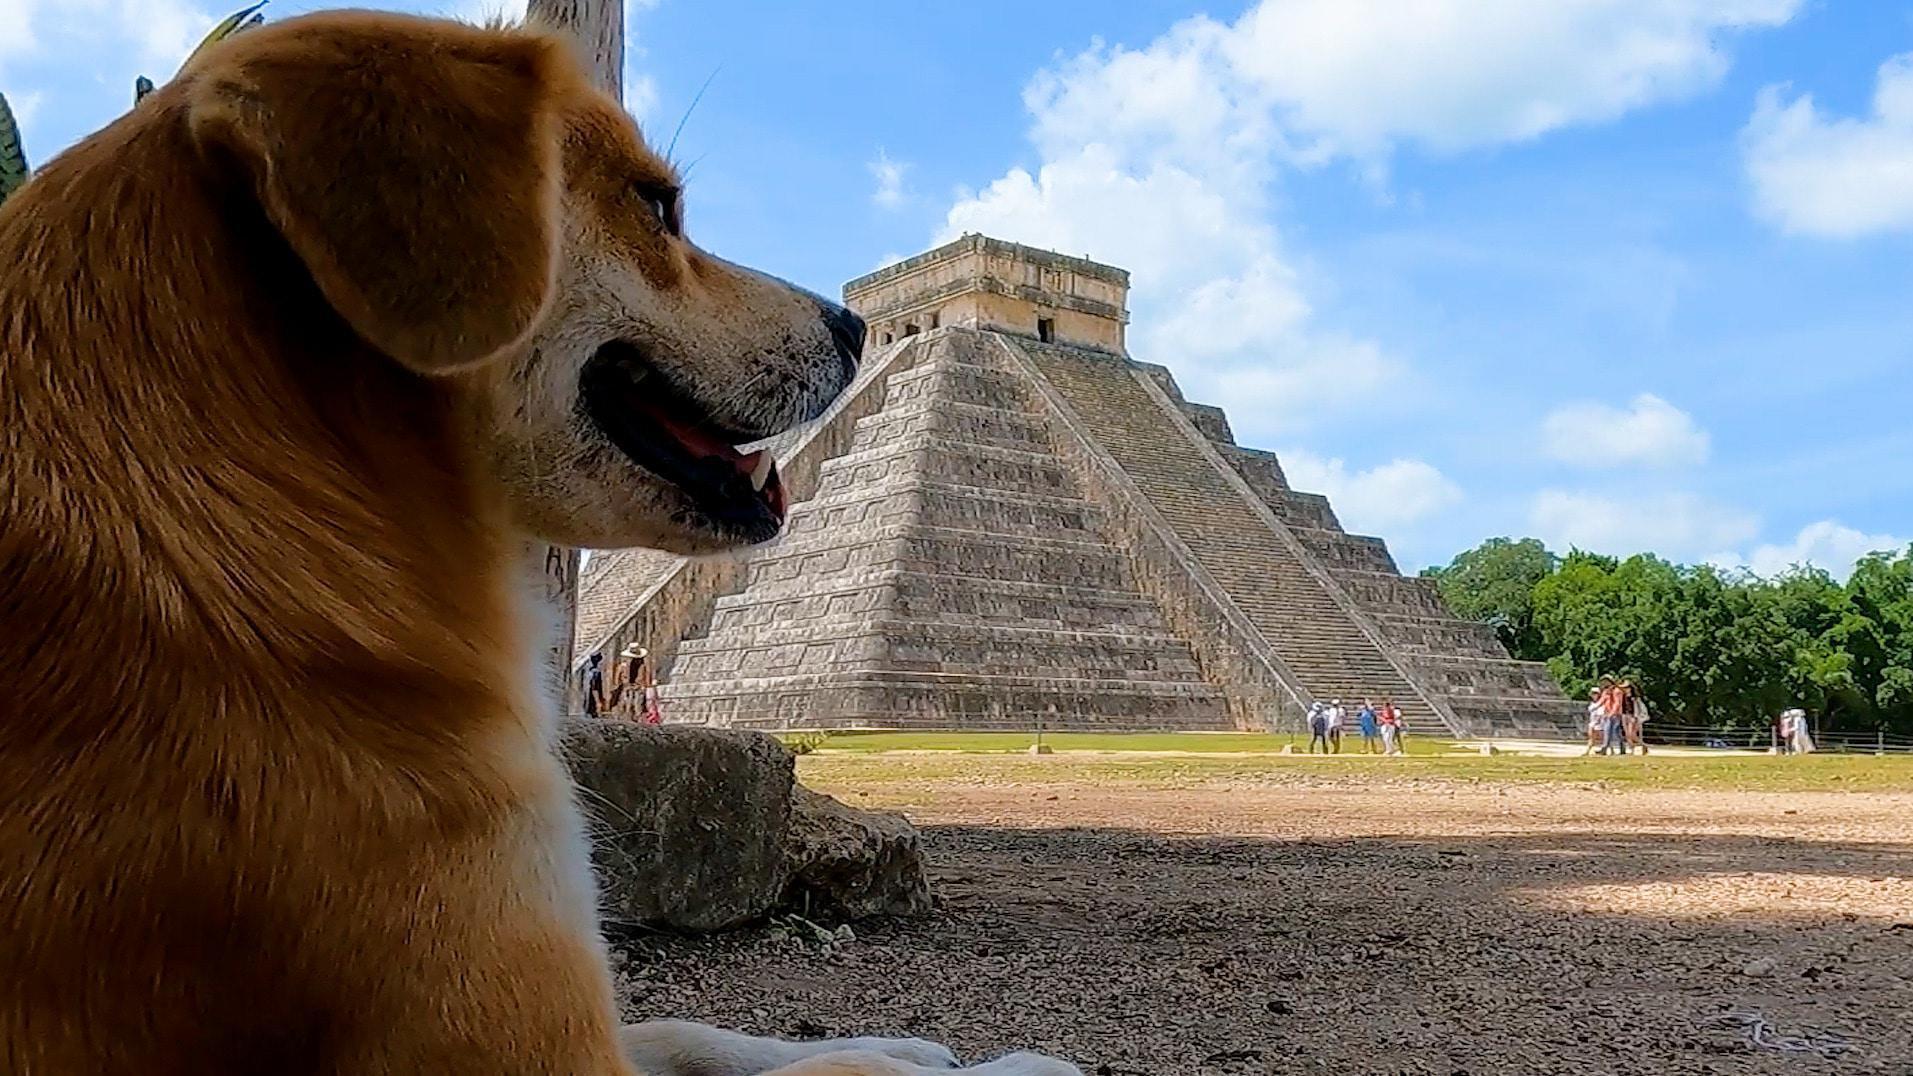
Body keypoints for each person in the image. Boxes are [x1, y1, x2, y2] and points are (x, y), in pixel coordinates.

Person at [582, 653, 606, 719]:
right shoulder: (595, 673)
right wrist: (598, 702)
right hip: (592, 701)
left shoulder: (590, 671)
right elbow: (594, 688)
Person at [1583, 687, 1606, 756]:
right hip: (1593, 722)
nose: (1594, 695)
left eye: (1595, 694)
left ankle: (1607, 749)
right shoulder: (1592, 703)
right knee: (1591, 737)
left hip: (1599, 722)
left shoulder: (1601, 704)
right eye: (1593, 694)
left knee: (1601, 738)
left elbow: (1601, 714)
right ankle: (1588, 750)